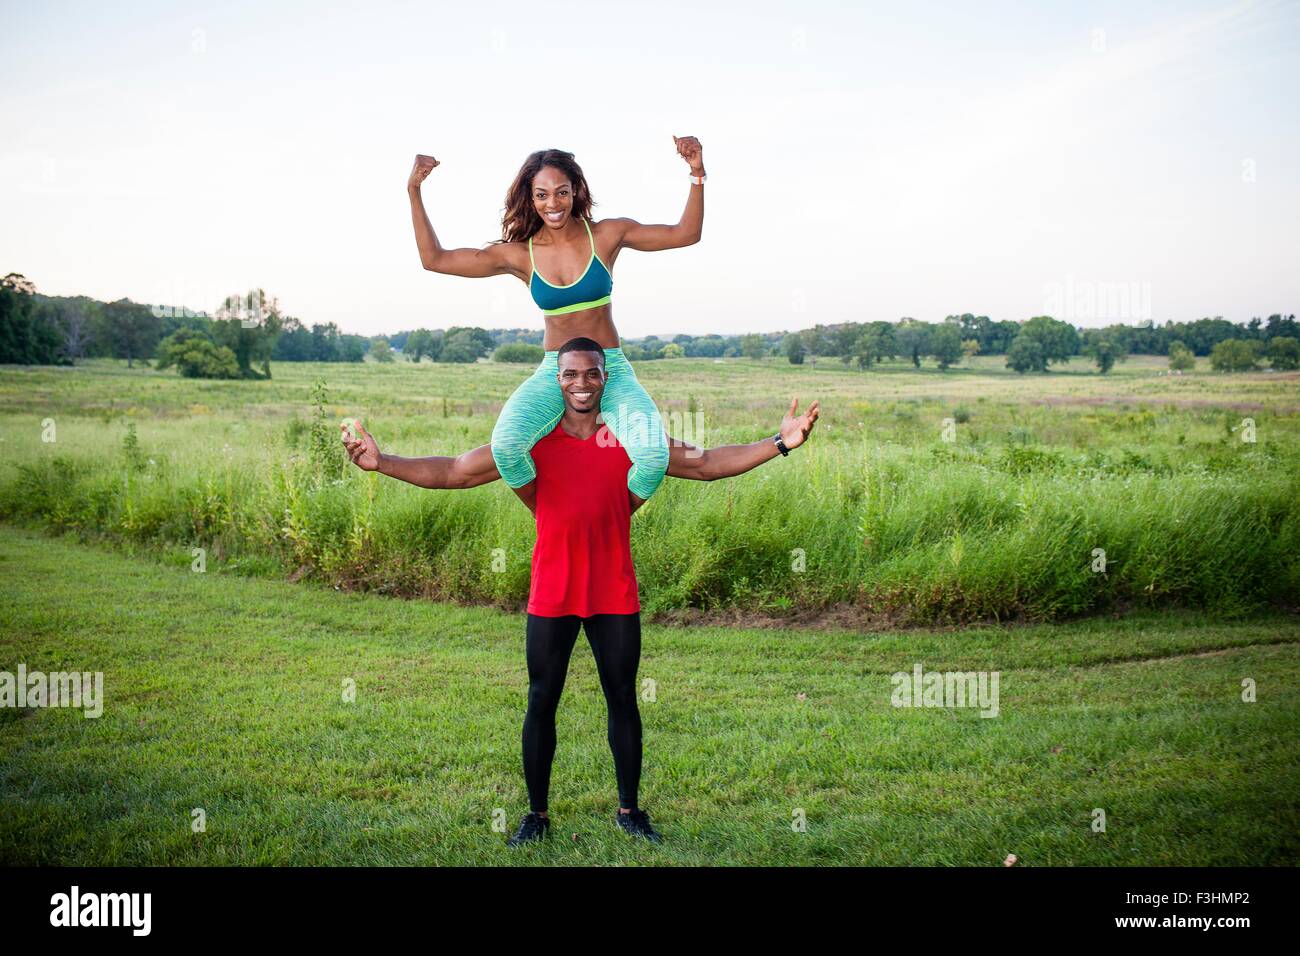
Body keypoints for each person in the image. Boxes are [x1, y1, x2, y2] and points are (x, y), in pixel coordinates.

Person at [341, 337, 820, 846]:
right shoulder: (531, 442)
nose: (581, 383)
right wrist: (382, 461)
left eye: (591, 373)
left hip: (613, 593)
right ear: (556, 380)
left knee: (623, 701)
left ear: (606, 378)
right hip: (553, 593)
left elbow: (707, 464)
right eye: (570, 374)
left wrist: (780, 442)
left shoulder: (630, 440)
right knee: (541, 700)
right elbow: (454, 471)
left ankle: (631, 811)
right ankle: (537, 816)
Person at [406, 137, 706, 514]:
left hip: (608, 369)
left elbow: (685, 234)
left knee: (652, 456)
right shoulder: (520, 254)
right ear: (530, 198)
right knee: (506, 447)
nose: (553, 204)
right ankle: (550, 513)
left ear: (575, 190)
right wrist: (414, 189)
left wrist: (696, 173)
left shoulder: (608, 235)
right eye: (542, 195)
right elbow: (434, 259)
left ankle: (608, 518)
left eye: (561, 193)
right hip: (554, 372)